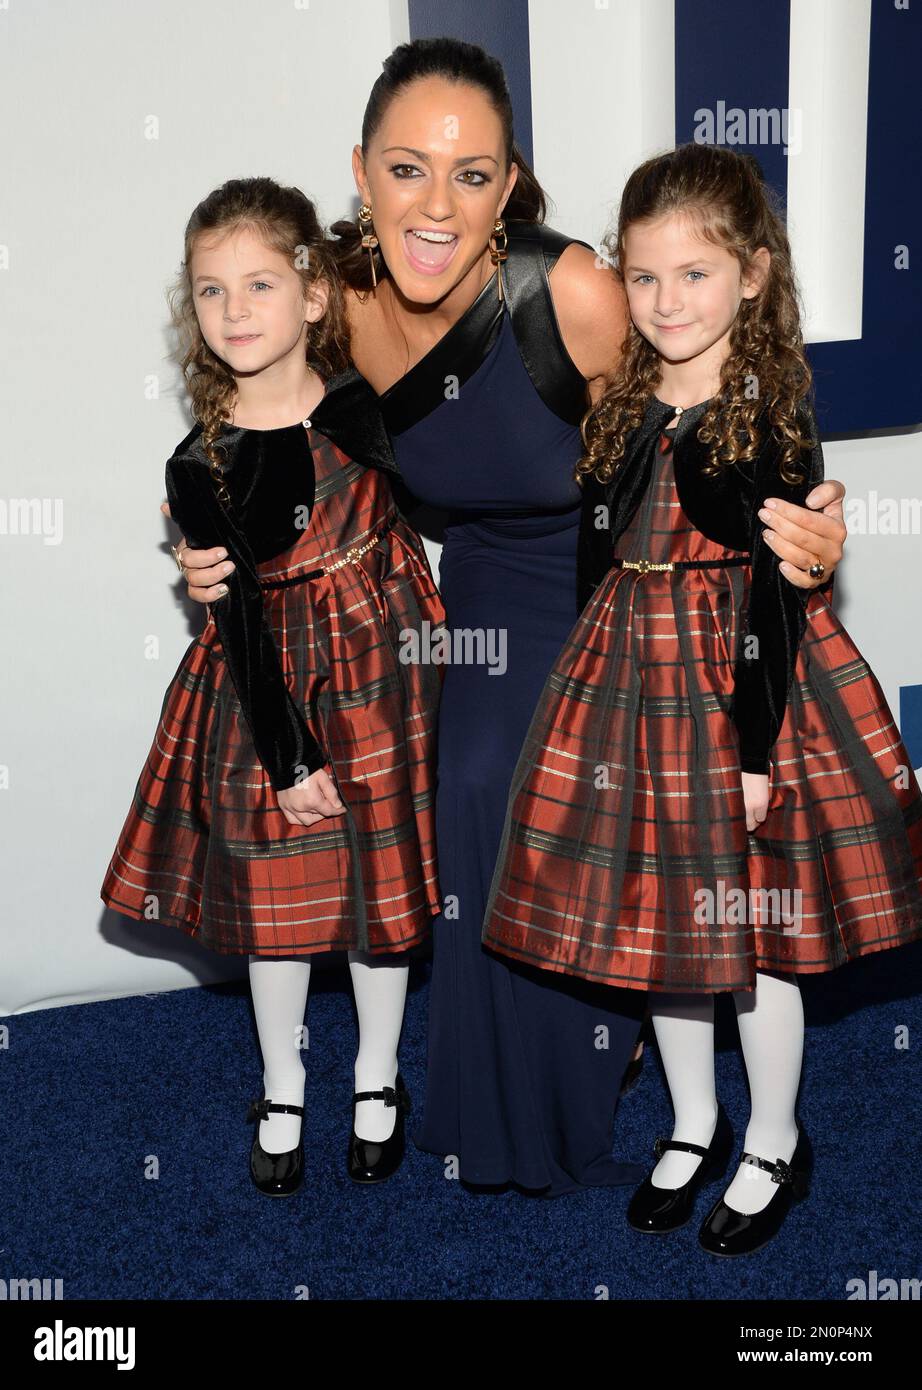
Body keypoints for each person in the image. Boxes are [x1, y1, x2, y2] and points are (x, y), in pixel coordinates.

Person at [166, 41, 849, 1197]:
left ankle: (615, 1039)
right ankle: (509, 1097)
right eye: (406, 169)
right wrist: (211, 536)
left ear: (508, 186)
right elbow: (258, 409)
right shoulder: (329, 302)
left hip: (611, 567)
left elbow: (716, 408)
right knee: (473, 777)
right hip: (489, 565)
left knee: (585, 781)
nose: (435, 205)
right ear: (360, 174)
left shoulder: (571, 290)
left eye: (471, 174)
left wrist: (807, 530)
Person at [481, 143, 922, 1250]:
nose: (666, 300)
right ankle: (692, 1120)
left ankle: (773, 1136)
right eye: (643, 275)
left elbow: (777, 590)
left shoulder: (767, 410)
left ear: (752, 275)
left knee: (753, 934)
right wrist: (583, 686)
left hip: (737, 691)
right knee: (665, 927)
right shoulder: (622, 404)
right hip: (630, 685)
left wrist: (755, 754)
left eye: (695, 273)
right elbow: (596, 559)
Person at [100, 177, 446, 1197]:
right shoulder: (199, 462)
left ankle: (377, 1071)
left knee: (383, 879)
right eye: (211, 290)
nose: (235, 309)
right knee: (276, 900)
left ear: (311, 295)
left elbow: (430, 498)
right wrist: (289, 759)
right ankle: (284, 1081)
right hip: (269, 696)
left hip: (384, 672)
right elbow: (238, 617)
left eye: (260, 284)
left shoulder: (359, 403)